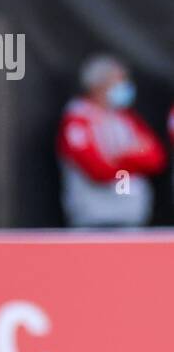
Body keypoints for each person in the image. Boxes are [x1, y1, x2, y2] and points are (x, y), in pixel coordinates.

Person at [56, 55, 166, 227]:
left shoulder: (125, 119)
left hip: (132, 216)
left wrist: (119, 157)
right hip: (95, 220)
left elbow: (156, 159)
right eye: (118, 82)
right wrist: (133, 156)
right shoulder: (77, 121)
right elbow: (98, 170)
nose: (124, 87)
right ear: (98, 86)